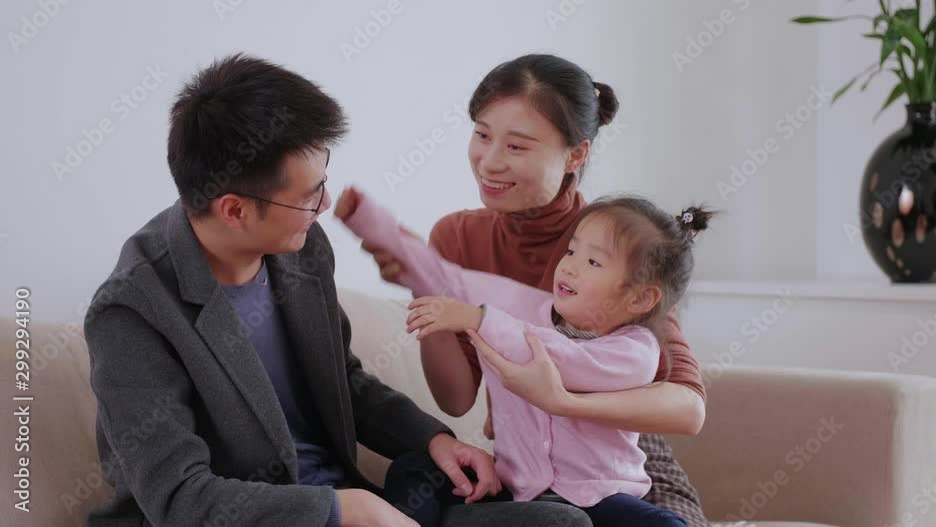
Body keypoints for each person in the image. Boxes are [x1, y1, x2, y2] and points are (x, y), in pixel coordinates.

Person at [84, 53, 592, 527]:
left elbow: (340, 379)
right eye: (309, 197)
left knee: (563, 522)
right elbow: (179, 499)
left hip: (359, 506)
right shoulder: (132, 310)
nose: (325, 206)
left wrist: (433, 438)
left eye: (323, 182)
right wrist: (341, 509)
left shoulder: (300, 248)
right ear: (235, 209)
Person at [362, 53, 711, 527]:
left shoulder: (613, 246)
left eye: (518, 146)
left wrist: (562, 402)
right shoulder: (458, 238)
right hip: (527, 467)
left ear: (575, 154)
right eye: (482, 135)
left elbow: (688, 407)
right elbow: (457, 399)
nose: (490, 161)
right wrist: (429, 293)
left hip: (623, 468)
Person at [338, 187, 712, 527]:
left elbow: (556, 357)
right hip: (513, 486)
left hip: (599, 499)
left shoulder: (636, 351)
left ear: (639, 299)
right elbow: (453, 281)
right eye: (571, 250)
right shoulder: (527, 308)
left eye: (593, 262)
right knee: (416, 468)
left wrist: (476, 317)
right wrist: (375, 225)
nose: (569, 265)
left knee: (662, 525)